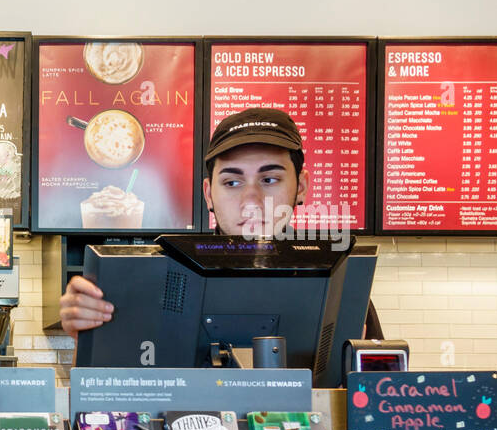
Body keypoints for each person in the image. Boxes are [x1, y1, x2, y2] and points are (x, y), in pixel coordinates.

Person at [58, 107, 382, 339]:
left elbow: (373, 412)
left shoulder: (343, 290)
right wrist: (85, 331)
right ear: (208, 194)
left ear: (301, 187)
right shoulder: (158, 280)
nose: (252, 200)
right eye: (232, 182)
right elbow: (109, 404)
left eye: (269, 179)